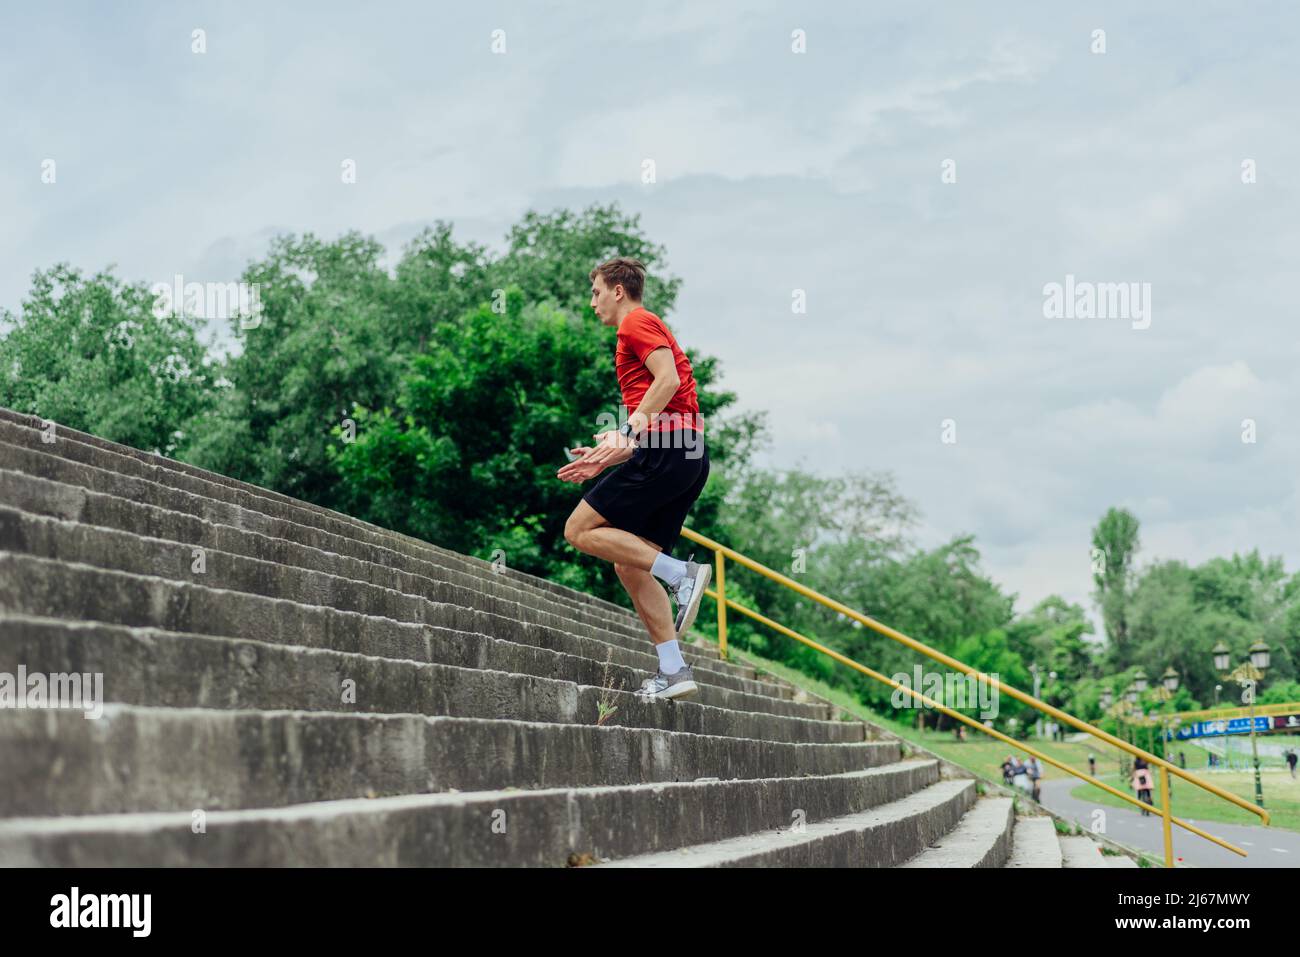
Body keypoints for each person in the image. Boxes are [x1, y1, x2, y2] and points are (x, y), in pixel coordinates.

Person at [559, 258, 711, 700]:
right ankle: (674, 668)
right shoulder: (643, 328)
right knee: (629, 562)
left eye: (596, 292)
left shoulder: (636, 323)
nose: (593, 303)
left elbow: (668, 379)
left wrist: (627, 430)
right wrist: (605, 458)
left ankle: (682, 574)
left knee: (579, 529)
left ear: (618, 290)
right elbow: (666, 406)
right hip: (684, 454)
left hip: (668, 450)